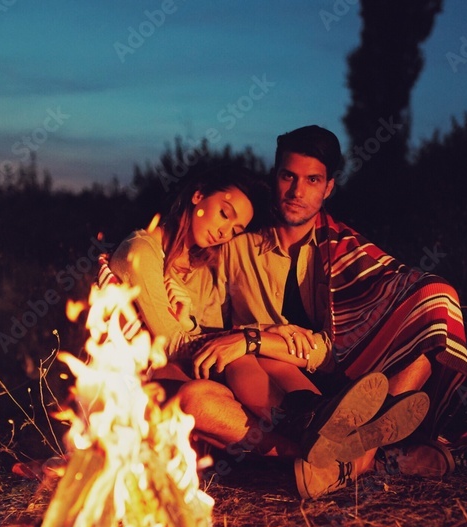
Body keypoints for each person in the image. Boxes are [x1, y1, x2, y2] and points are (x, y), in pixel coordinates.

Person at [187, 125, 467, 499]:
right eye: (289, 176)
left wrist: (256, 338)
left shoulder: (342, 249)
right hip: (262, 391)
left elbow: (334, 351)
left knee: (434, 299)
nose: (297, 192)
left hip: (347, 393)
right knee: (195, 402)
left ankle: (357, 449)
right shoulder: (237, 243)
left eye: (312, 180)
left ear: (328, 187)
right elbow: (191, 304)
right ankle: (348, 456)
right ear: (275, 176)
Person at [105, 166, 427, 469]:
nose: (223, 232)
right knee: (234, 360)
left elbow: (216, 331)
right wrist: (253, 336)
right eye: (224, 214)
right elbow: (174, 343)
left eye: (235, 229)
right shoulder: (141, 252)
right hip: (153, 385)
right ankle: (312, 446)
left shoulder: (200, 263)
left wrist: (265, 335)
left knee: (261, 353)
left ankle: (326, 419)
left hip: (198, 376)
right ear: (198, 195)